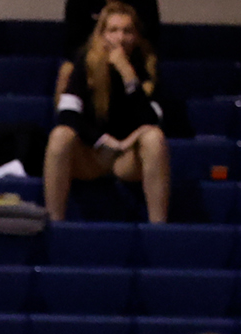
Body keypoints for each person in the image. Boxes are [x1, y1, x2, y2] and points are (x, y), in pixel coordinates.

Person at [45, 2, 170, 224]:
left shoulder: (146, 66)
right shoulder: (85, 62)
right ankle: (55, 224)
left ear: (136, 36)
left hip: (127, 158)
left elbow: (153, 120)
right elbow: (67, 114)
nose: (120, 37)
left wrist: (127, 73)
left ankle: (158, 229)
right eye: (112, 30)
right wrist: (102, 140)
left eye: (127, 31)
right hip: (93, 154)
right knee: (60, 136)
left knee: (154, 139)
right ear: (101, 34)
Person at [62, 0, 159, 55]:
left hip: (134, 55)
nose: (119, 36)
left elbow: (150, 41)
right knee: (67, 69)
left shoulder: (145, 3)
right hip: (89, 56)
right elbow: (73, 43)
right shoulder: (78, 3)